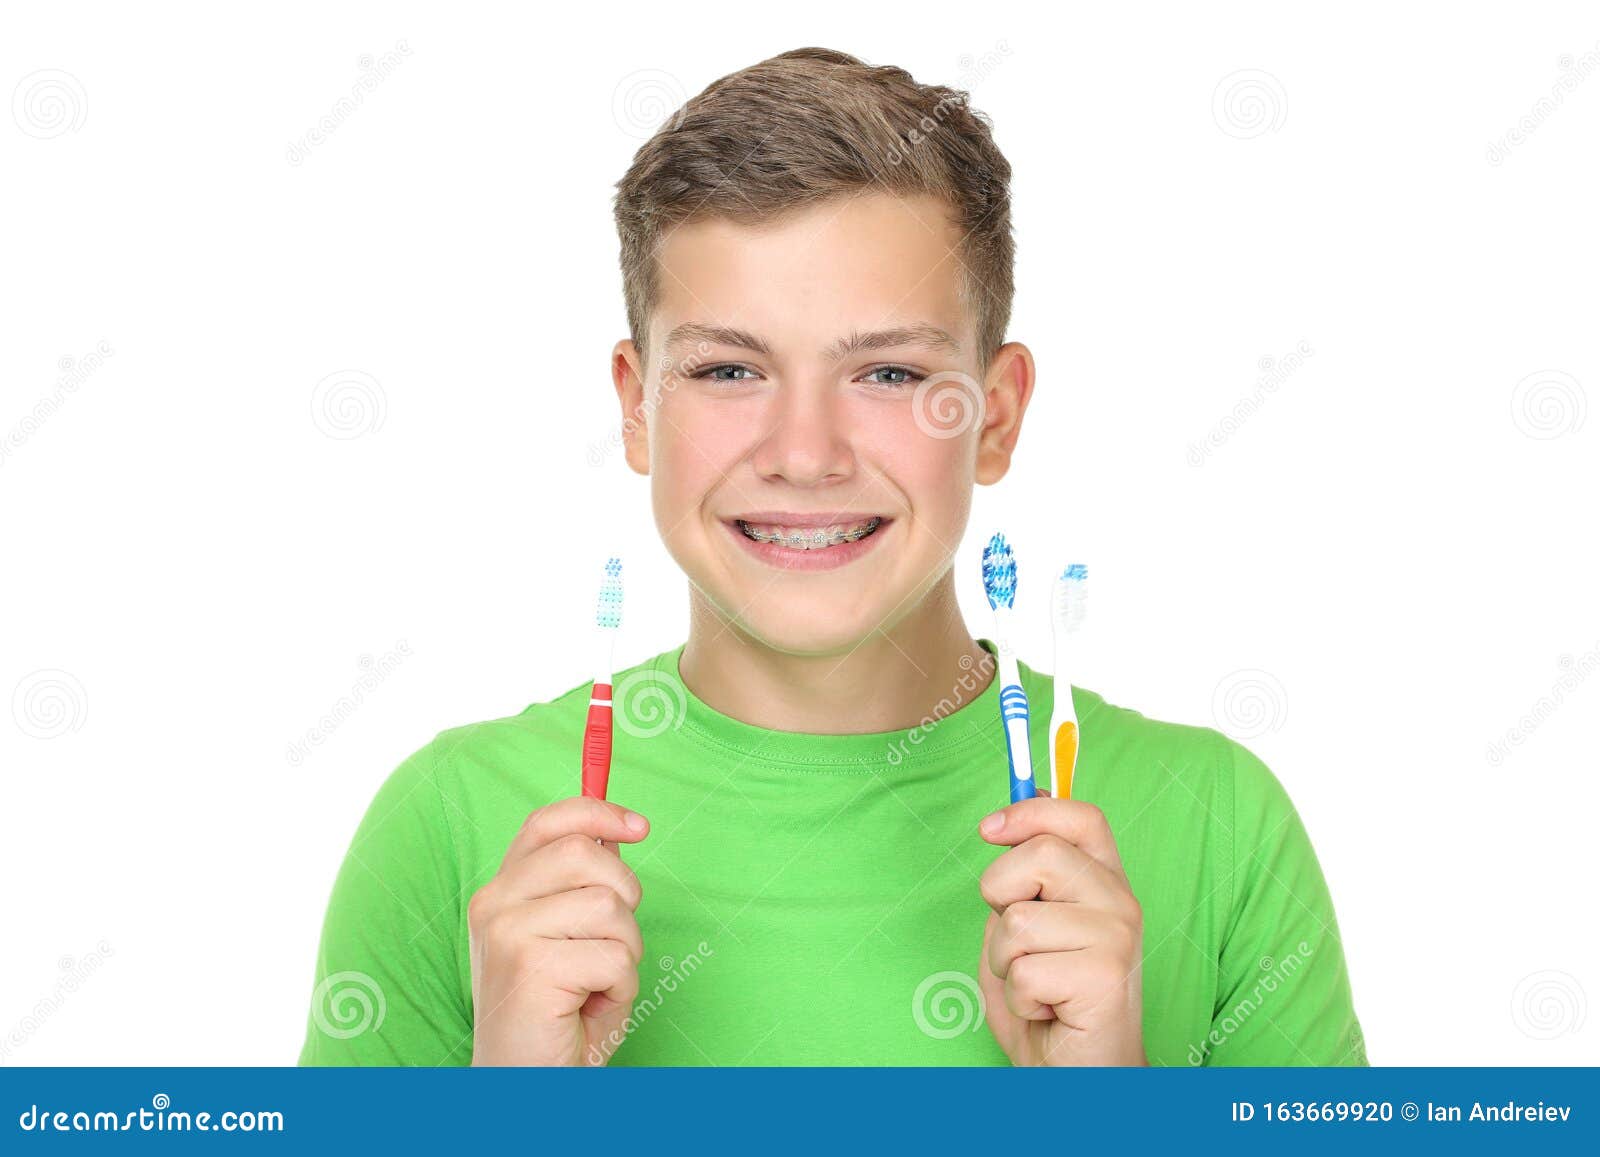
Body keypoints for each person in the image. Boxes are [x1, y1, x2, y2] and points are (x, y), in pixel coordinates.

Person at [298, 46, 1366, 1067]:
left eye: (890, 375)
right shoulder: (450, 827)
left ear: (993, 417)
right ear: (636, 410)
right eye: (726, 370)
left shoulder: (1218, 823)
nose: (803, 454)